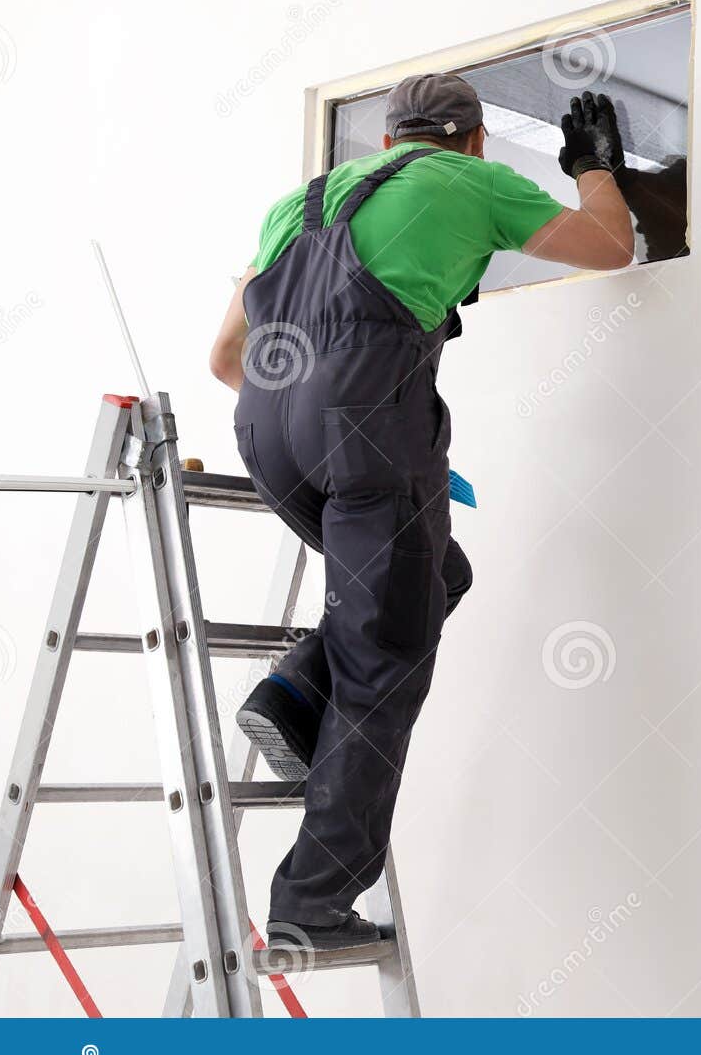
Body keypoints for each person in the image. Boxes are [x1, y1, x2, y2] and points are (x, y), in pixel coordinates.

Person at [207, 75, 634, 949]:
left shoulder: (299, 203)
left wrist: (340, 424)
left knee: (438, 573)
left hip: (267, 436)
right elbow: (612, 245)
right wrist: (592, 167)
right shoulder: (472, 183)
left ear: (392, 138)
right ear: (473, 140)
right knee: (386, 659)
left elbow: (224, 358)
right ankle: (310, 906)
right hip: (363, 433)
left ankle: (294, 689)